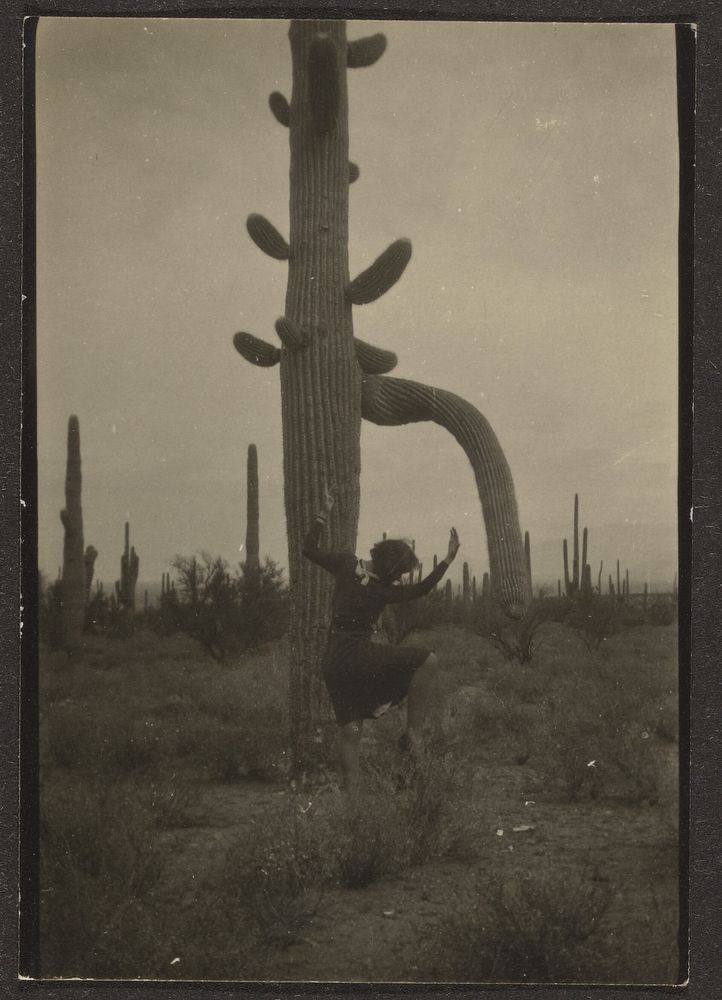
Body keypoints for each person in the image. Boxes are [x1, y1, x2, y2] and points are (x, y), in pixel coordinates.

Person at [302, 486, 461, 792]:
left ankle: (352, 806)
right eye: (400, 572)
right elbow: (422, 589)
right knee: (428, 660)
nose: (400, 579)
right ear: (391, 570)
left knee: (351, 733)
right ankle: (413, 734)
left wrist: (323, 513)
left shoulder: (347, 564)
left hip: (333, 661)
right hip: (359, 656)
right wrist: (448, 560)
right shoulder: (382, 589)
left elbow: (308, 550)